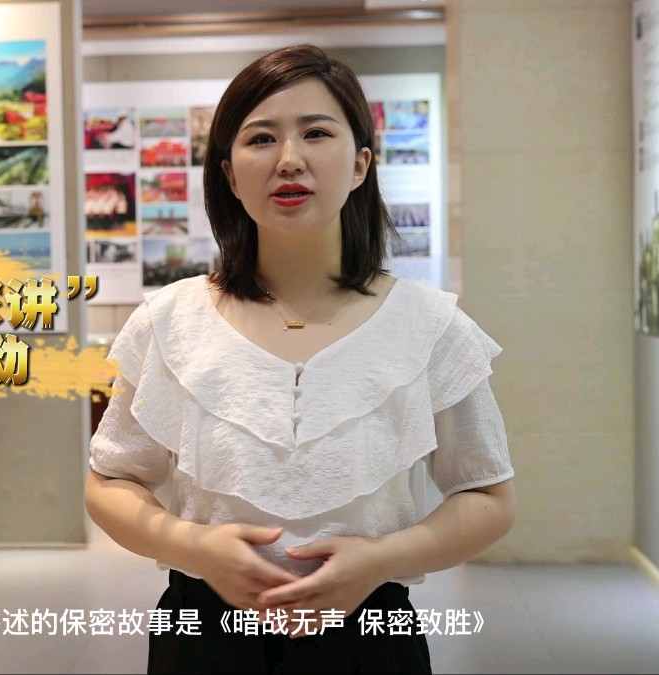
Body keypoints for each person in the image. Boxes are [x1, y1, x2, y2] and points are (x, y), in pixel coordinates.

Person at [84, 43, 516, 675]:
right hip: (202, 635)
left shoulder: (430, 326)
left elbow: (488, 496)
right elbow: (111, 482)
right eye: (260, 139)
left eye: (316, 133)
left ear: (361, 163)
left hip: (371, 637)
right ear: (230, 174)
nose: (289, 159)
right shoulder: (169, 321)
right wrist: (195, 547)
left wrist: (381, 560)